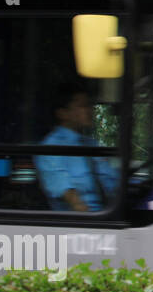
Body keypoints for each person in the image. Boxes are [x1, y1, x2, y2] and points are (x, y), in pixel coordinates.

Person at [34, 84, 120, 213]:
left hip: (109, 212)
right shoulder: (51, 148)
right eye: (82, 106)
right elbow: (71, 198)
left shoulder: (91, 144)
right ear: (63, 113)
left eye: (89, 105)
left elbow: (112, 183)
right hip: (83, 221)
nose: (89, 110)